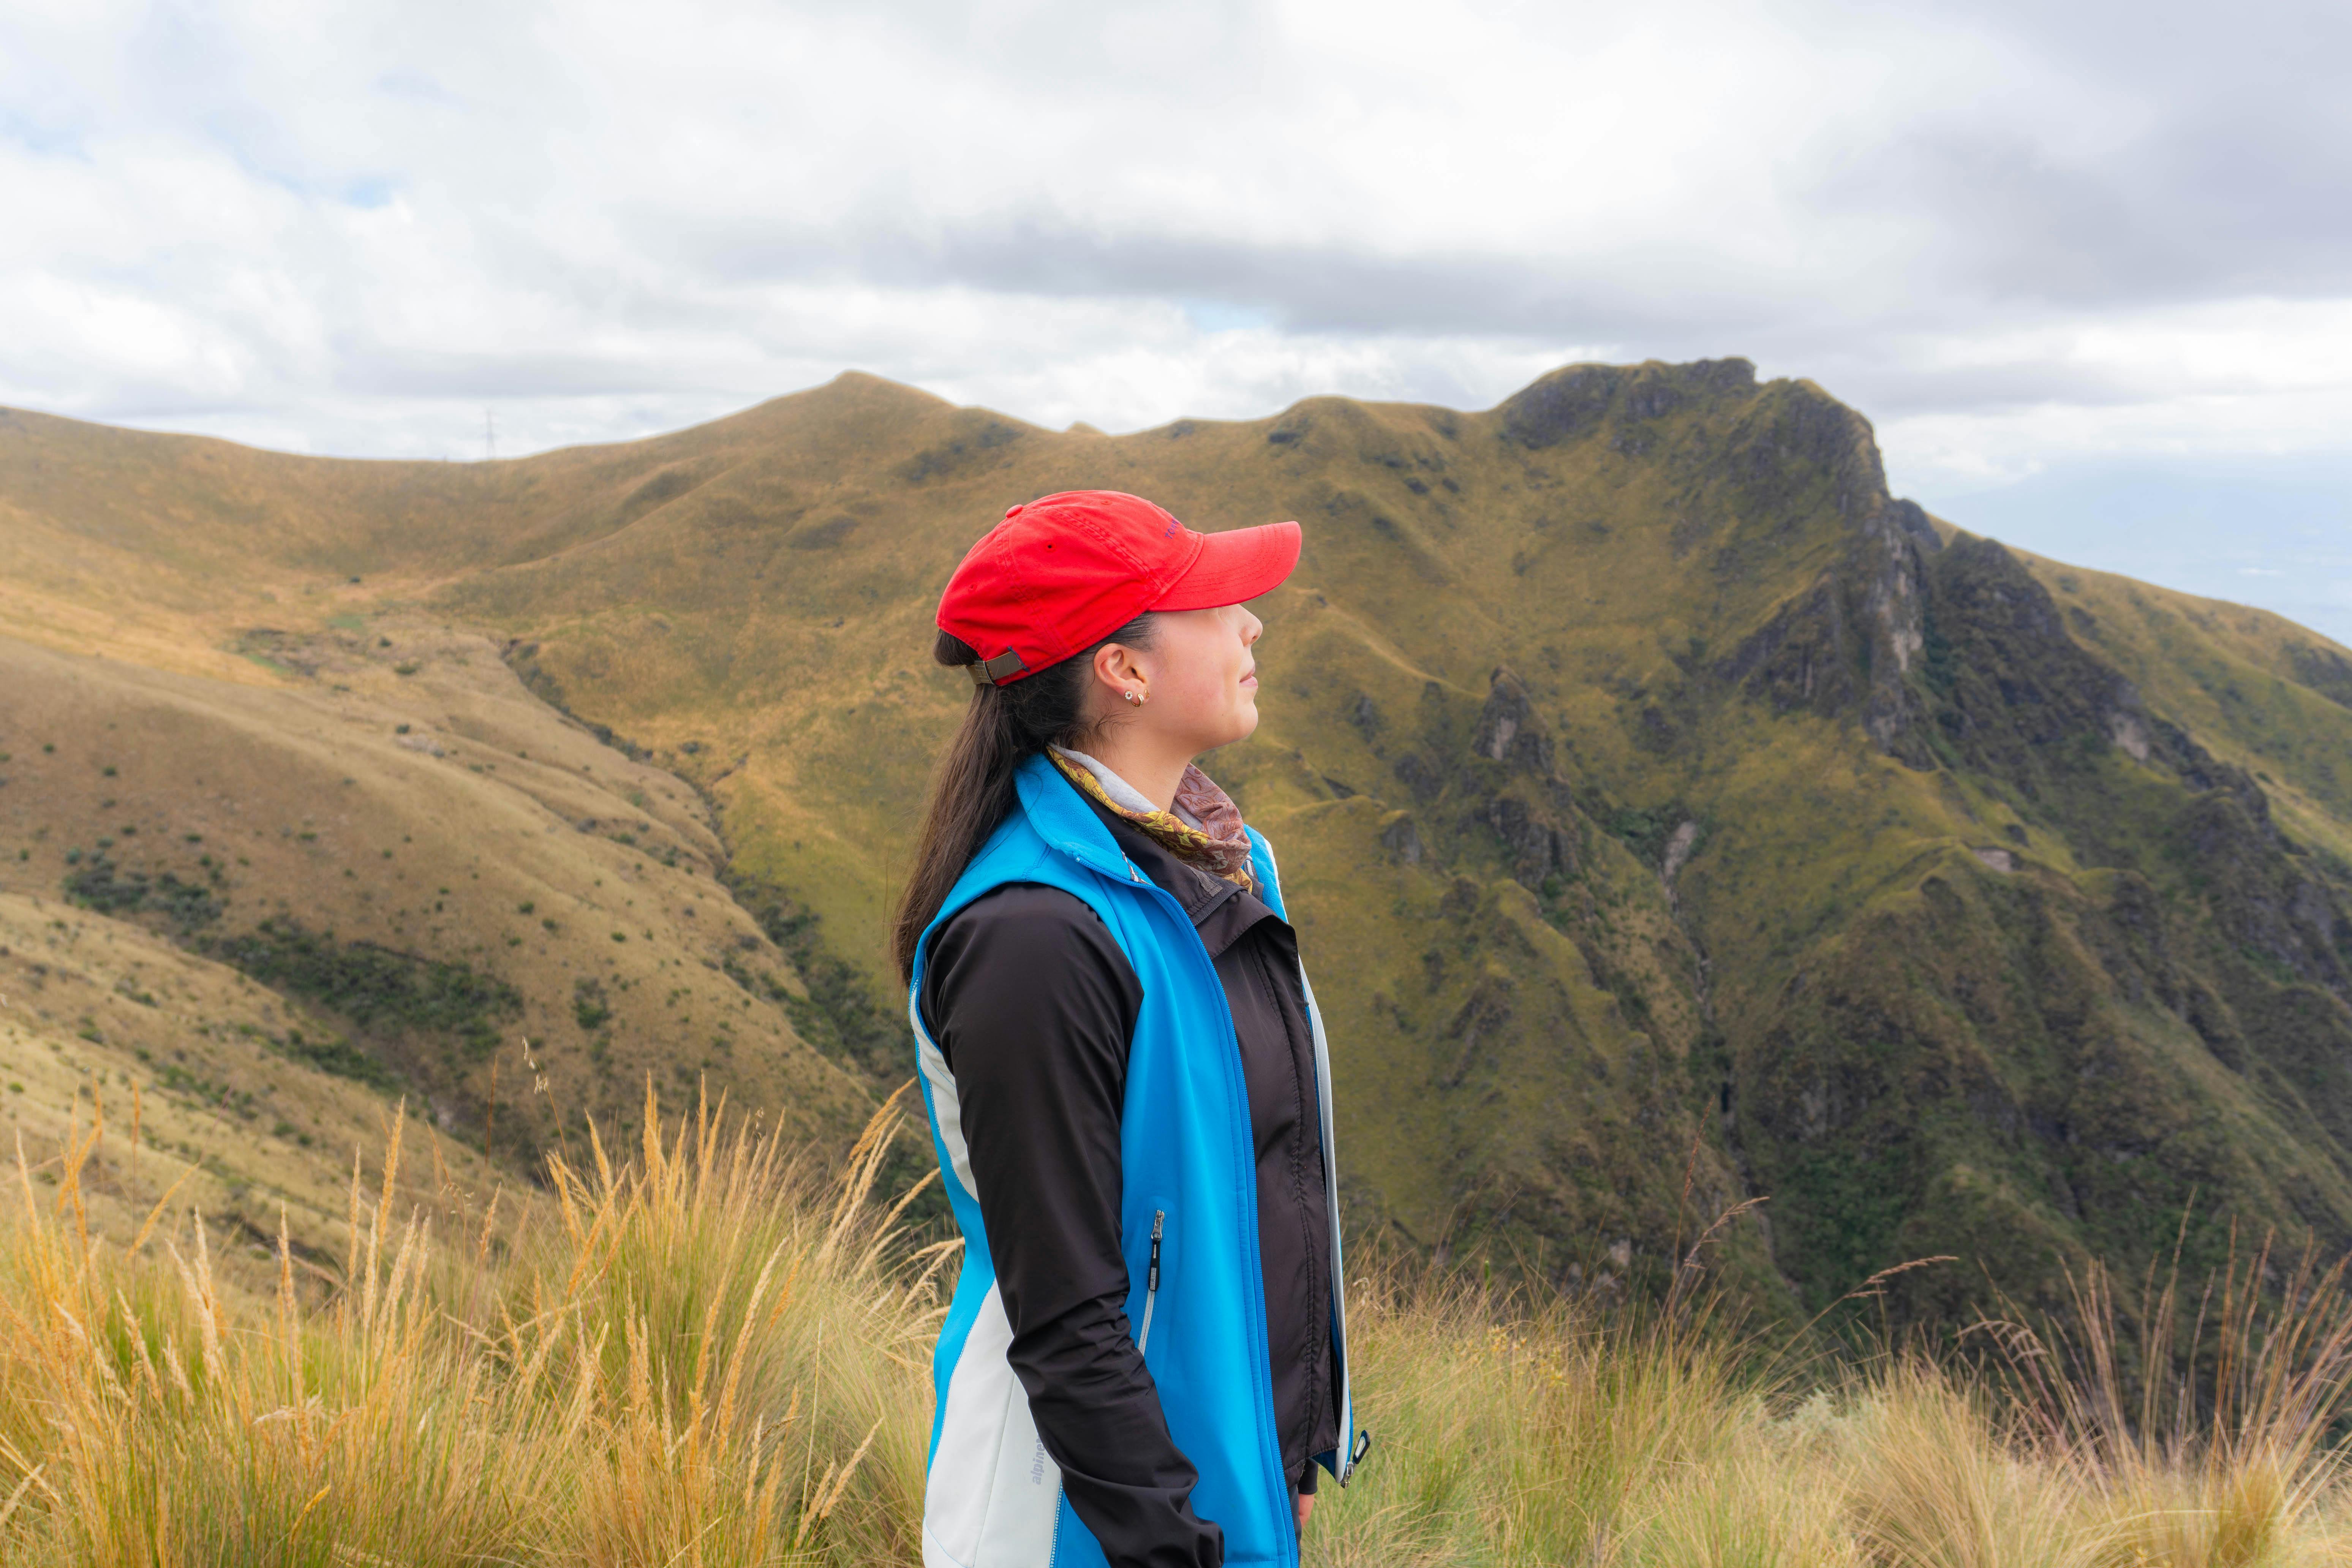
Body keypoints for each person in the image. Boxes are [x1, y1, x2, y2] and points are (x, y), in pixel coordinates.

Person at [894, 490, 1366, 1568]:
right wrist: (1174, 1542)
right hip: (1082, 1520)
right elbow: (1065, 1312)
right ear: (1124, 670)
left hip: (1217, 1473)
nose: (1253, 624)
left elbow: (1269, 1178)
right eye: (1216, 605)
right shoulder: (1034, 937)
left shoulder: (1222, 864)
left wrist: (1288, 1452)